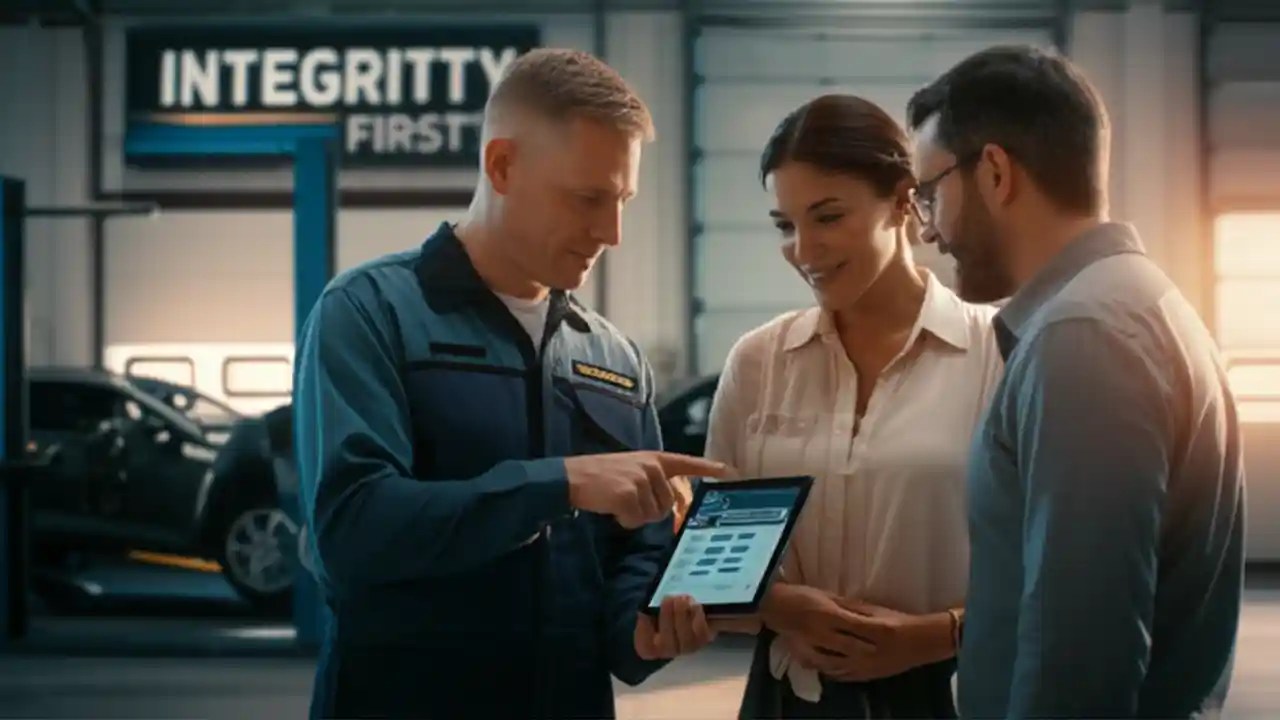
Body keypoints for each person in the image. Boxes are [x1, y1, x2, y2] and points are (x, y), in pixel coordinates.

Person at [293, 48, 728, 719]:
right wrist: (559, 485)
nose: (611, 232)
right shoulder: (369, 313)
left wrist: (643, 629)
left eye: (622, 201)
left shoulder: (613, 358)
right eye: (587, 198)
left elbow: (634, 555)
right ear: (501, 166)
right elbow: (352, 530)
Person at [907, 45, 1246, 718]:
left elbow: (1080, 656)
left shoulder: (1083, 338)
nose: (927, 231)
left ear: (995, 172)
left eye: (929, 194)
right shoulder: (1136, 302)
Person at [704, 94, 1005, 719]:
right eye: (785, 226)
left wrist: (934, 635)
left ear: (901, 200)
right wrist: (783, 607)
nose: (803, 249)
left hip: (950, 695)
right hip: (786, 699)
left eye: (828, 217)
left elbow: (1050, 576)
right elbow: (716, 571)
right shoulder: (760, 362)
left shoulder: (996, 354)